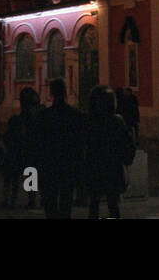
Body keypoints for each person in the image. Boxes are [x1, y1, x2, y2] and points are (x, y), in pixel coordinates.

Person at [34, 77, 85, 219]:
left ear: (51, 93)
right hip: (68, 164)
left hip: (48, 164)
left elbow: (37, 142)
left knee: (50, 203)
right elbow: (80, 141)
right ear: (65, 91)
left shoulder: (44, 115)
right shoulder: (75, 115)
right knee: (66, 201)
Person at [84, 85, 135, 219]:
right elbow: (126, 143)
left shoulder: (89, 121)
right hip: (113, 168)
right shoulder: (116, 121)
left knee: (94, 205)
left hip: (93, 168)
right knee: (113, 204)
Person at [3, 87, 41, 208]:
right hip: (26, 149)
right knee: (28, 173)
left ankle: (14, 200)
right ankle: (29, 200)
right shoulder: (31, 118)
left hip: (24, 149)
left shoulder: (20, 118)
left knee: (17, 175)